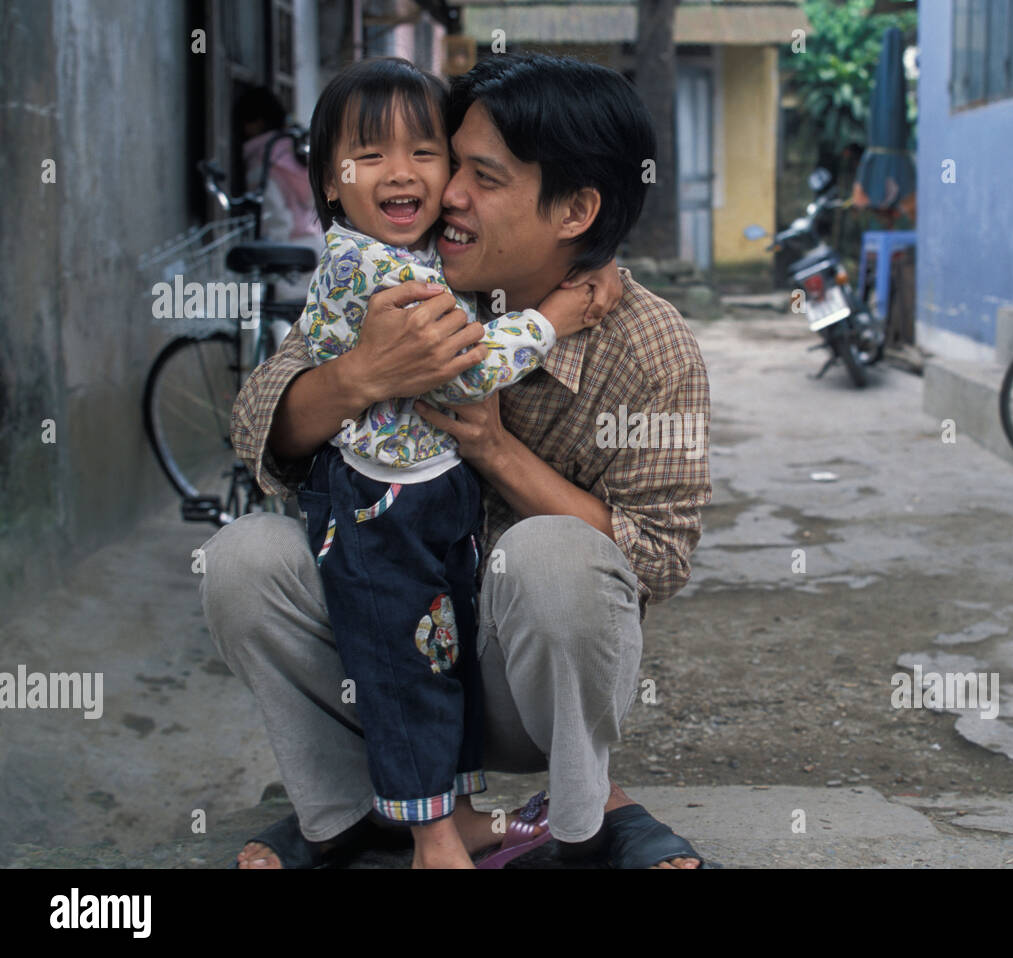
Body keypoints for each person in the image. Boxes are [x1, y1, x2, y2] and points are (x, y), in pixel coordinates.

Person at [202, 52, 715, 869]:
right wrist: (357, 376)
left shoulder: (652, 350)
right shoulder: (398, 276)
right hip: (383, 656)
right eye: (455, 166)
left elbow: (657, 555)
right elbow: (257, 423)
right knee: (242, 559)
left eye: (481, 175)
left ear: (576, 209)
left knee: (553, 555)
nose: (447, 197)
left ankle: (586, 818)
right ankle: (354, 812)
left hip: (513, 688)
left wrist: (493, 447)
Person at [293, 58, 609, 869]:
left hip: (432, 493)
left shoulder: (424, 250)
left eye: (427, 153)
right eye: (369, 153)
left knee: (445, 650)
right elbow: (464, 368)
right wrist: (553, 316)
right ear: (331, 183)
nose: (403, 173)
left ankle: (460, 812)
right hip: (376, 503)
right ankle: (433, 839)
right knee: (400, 665)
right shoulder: (365, 266)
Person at [235, 87, 324, 300]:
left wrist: (267, 258)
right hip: (316, 243)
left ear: (256, 122)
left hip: (290, 253)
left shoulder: (263, 161)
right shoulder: (293, 149)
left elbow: (275, 218)